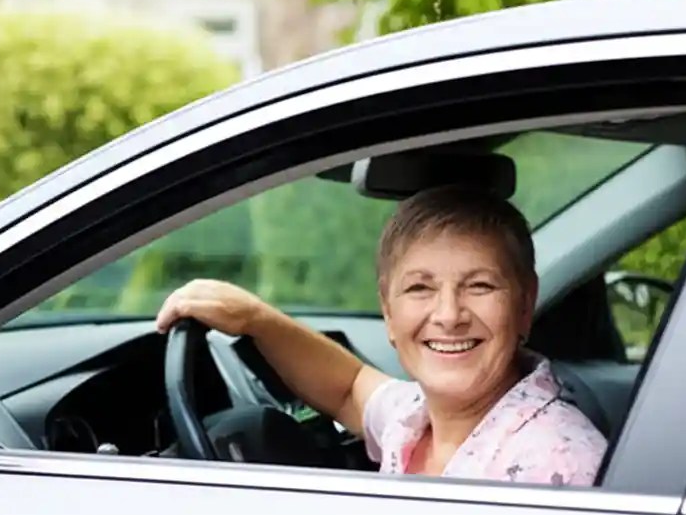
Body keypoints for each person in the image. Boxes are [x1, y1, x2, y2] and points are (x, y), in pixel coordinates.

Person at [155, 184, 607, 486]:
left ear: (525, 305)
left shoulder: (557, 464)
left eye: (480, 286)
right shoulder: (415, 416)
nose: (449, 315)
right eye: (420, 288)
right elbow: (349, 389)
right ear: (389, 315)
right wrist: (254, 317)